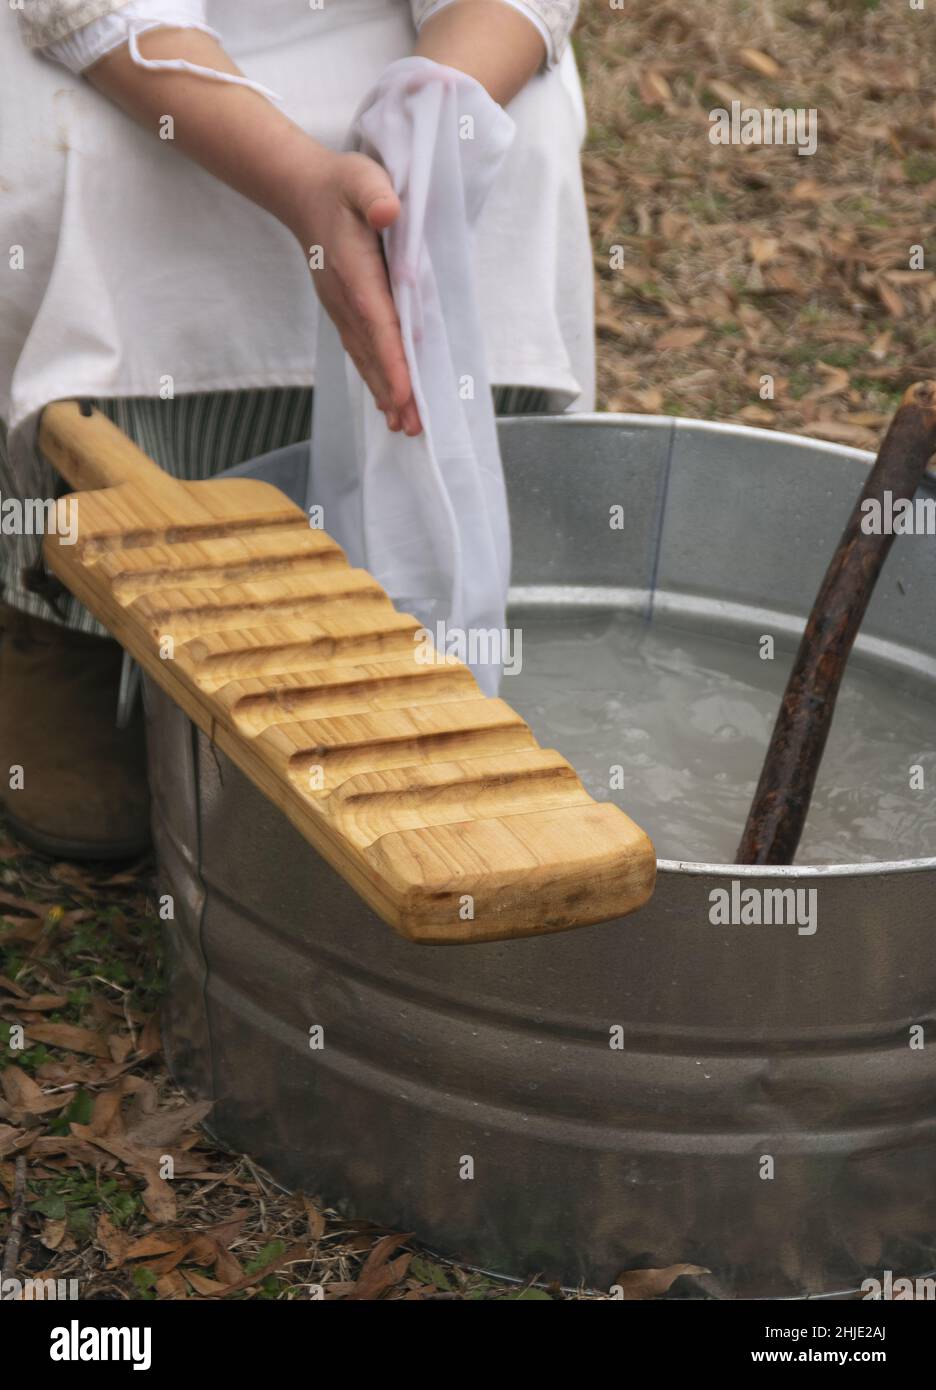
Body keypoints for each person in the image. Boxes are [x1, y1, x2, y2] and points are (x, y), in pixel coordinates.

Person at [0, 0, 593, 857]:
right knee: (66, 158)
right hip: (129, 48)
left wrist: (427, 125)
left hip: (399, 30)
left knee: (521, 138)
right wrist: (306, 189)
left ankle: (442, 607)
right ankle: (65, 615)